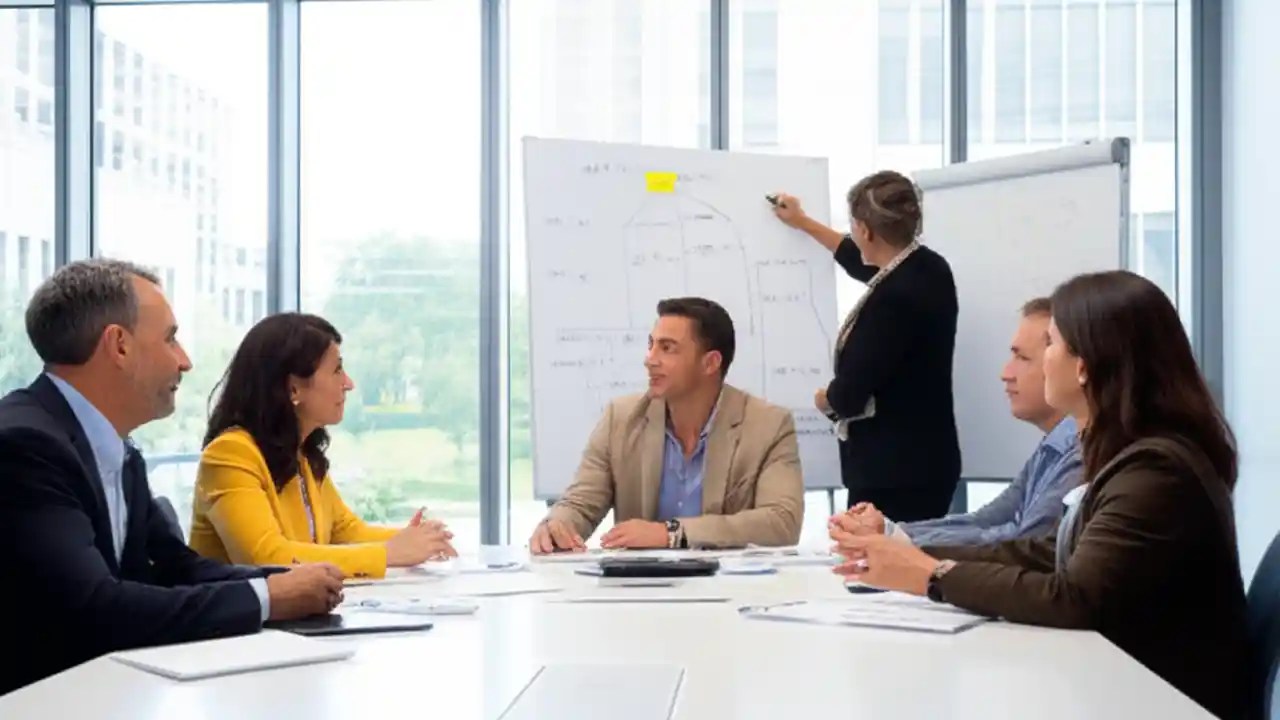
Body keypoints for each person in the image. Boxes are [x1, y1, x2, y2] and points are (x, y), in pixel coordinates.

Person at [830, 270, 1254, 720]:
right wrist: (904, 553)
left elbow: (1074, 597)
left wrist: (933, 576)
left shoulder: (1155, 472)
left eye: (1049, 344)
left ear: (1084, 365)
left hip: (1160, 700)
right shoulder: (1130, 454)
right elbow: (1049, 551)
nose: (1018, 366)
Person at [0, 260, 342, 695]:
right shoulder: (25, 446)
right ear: (119, 346)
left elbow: (174, 568)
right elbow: (93, 608)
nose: (185, 361)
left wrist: (292, 582)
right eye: (171, 338)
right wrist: (270, 597)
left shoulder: (117, 449)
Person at [189, 313, 457, 579]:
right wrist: (390, 552)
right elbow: (266, 558)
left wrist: (417, 540)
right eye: (337, 370)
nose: (348, 384)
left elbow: (346, 533)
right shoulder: (229, 454)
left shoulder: (302, 454)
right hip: (238, 621)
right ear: (293, 389)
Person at [529, 297, 803, 553]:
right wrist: (556, 525)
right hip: (642, 592)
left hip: (730, 591)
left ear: (710, 363)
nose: (650, 360)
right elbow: (581, 503)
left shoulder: (768, 425)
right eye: (651, 345)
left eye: (667, 348)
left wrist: (671, 534)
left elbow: (781, 522)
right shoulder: (621, 419)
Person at [772, 171, 959, 520]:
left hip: (892, 476)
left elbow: (850, 395)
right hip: (926, 463)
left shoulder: (892, 301)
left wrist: (825, 399)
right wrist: (802, 222)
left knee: (875, 570)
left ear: (866, 230)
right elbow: (861, 260)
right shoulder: (928, 268)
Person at [840, 297, 1081, 546]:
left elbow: (1024, 543)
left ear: (1077, 367)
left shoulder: (1082, 452)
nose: (1005, 374)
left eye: (1023, 358)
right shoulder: (1055, 444)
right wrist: (891, 533)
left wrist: (895, 541)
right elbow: (988, 520)